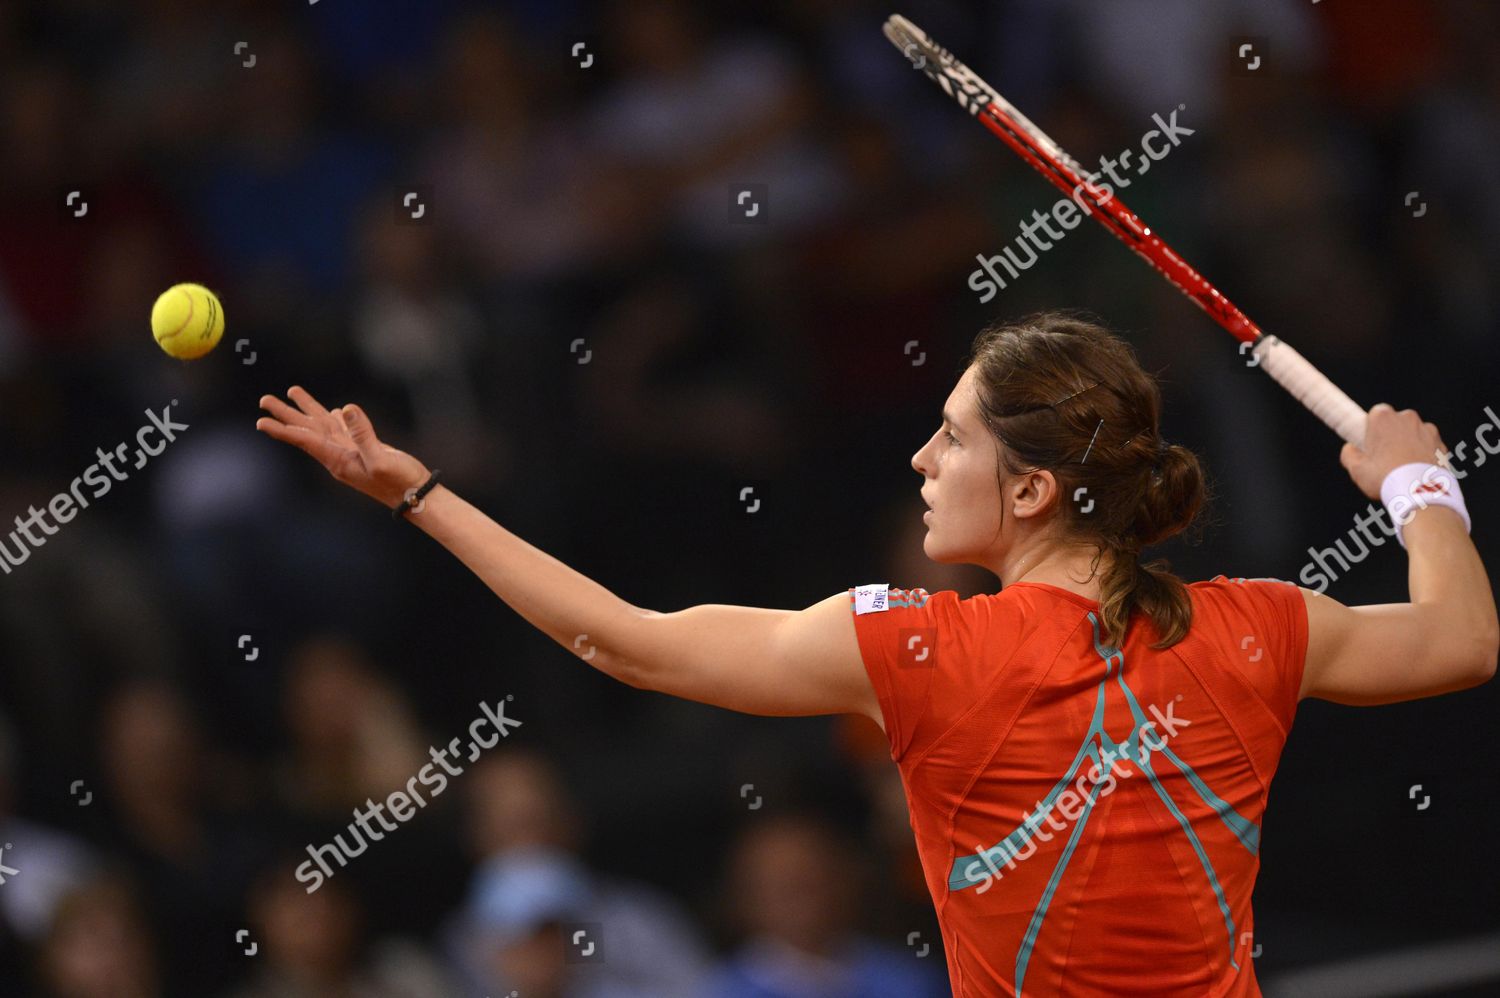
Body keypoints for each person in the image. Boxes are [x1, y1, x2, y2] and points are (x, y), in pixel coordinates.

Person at [254, 311, 1498, 997]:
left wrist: (419, 495)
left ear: (1032, 488)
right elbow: (1460, 638)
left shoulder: (915, 645)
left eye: (951, 439)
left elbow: (623, 641)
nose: (921, 460)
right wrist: (1419, 483)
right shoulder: (1260, 623)